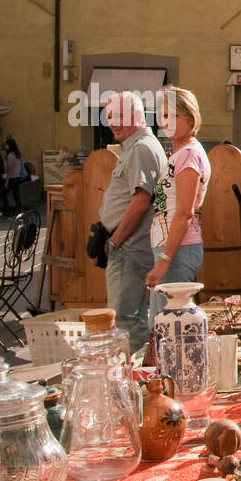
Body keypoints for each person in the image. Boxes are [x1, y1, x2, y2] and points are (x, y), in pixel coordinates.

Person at [99, 91, 168, 352]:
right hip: (128, 247)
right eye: (109, 117)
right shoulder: (137, 146)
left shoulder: (140, 148)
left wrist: (115, 241)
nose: (113, 123)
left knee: (126, 321)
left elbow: (141, 201)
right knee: (128, 318)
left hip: (128, 248)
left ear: (138, 116)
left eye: (119, 116)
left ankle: (137, 382)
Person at [146, 87, 211, 325]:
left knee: (168, 328)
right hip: (174, 248)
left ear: (191, 119)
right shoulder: (182, 154)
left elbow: (184, 212)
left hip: (178, 249)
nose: (166, 123)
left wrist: (164, 259)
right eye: (163, 116)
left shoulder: (188, 156)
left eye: (173, 116)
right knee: (164, 326)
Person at [4, 138, 28, 211]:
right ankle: (19, 211)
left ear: (9, 145)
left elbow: (10, 168)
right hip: (17, 177)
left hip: (11, 178)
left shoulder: (10, 155)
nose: (5, 146)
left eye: (6, 145)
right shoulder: (17, 154)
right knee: (16, 195)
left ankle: (7, 211)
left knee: (3, 194)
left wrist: (7, 181)